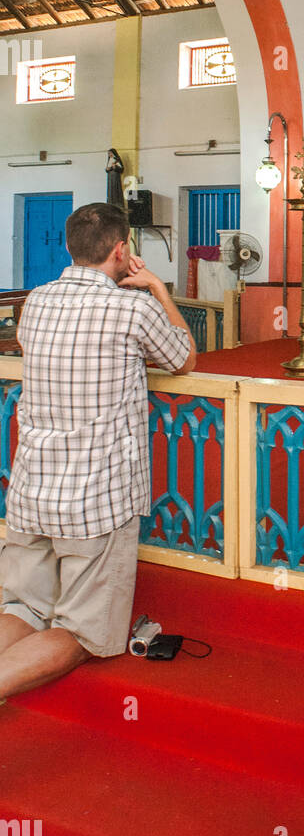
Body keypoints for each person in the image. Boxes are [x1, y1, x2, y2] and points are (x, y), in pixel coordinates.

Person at [0, 203, 195, 699]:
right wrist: (155, 286)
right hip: (95, 497)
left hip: (31, 488)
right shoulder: (131, 307)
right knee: (82, 631)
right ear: (121, 250)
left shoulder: (36, 301)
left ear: (68, 246)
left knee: (19, 609)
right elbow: (184, 358)